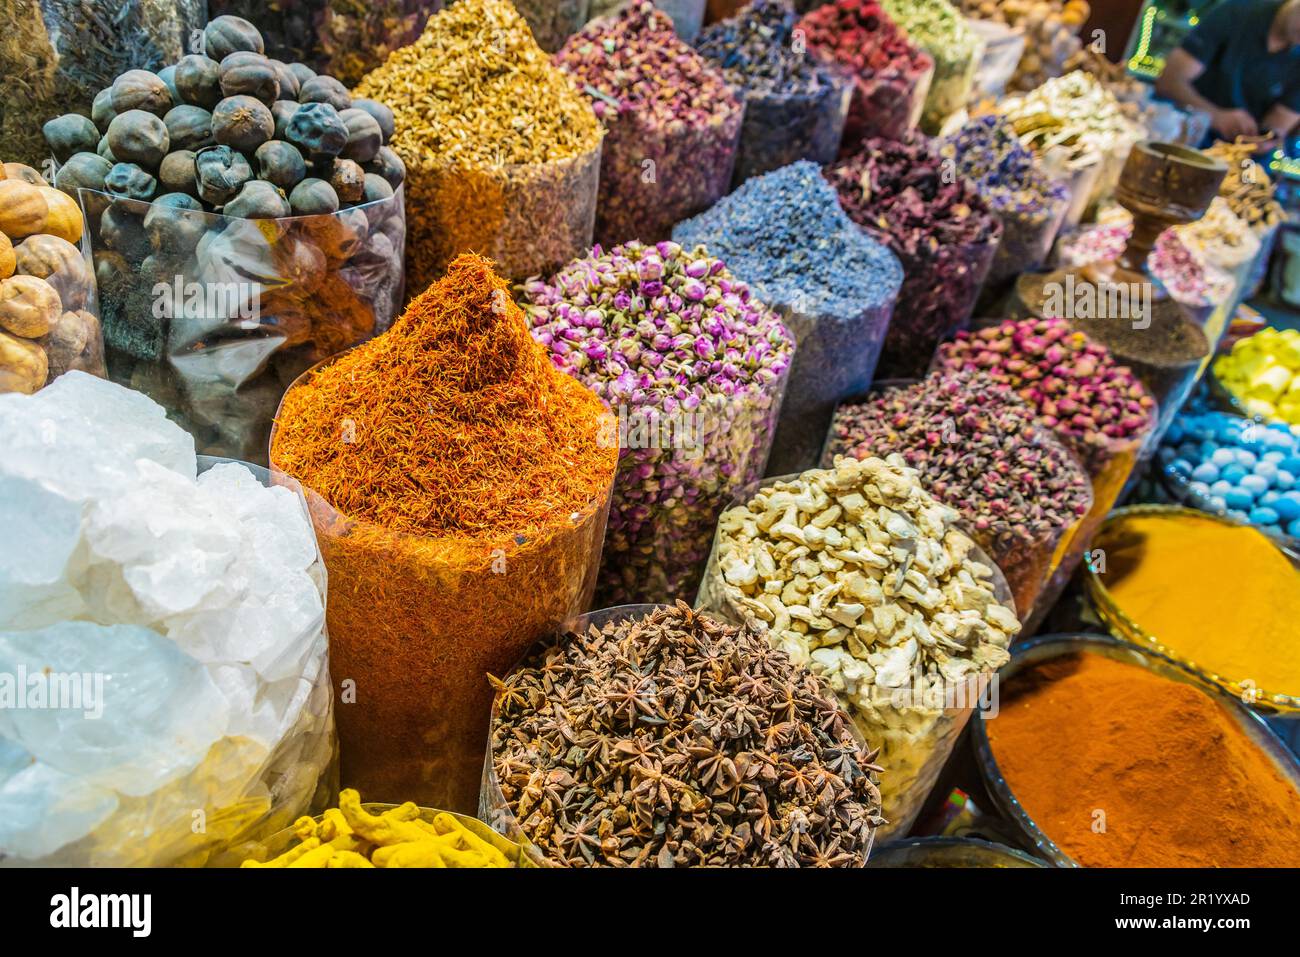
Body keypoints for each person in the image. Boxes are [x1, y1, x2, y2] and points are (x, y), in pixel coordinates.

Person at [1156, 0, 1300, 146]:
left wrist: (1263, 141)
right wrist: (1216, 116)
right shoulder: (1238, 11)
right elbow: (1169, 81)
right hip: (1189, 131)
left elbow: (1278, 125)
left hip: (1242, 153)